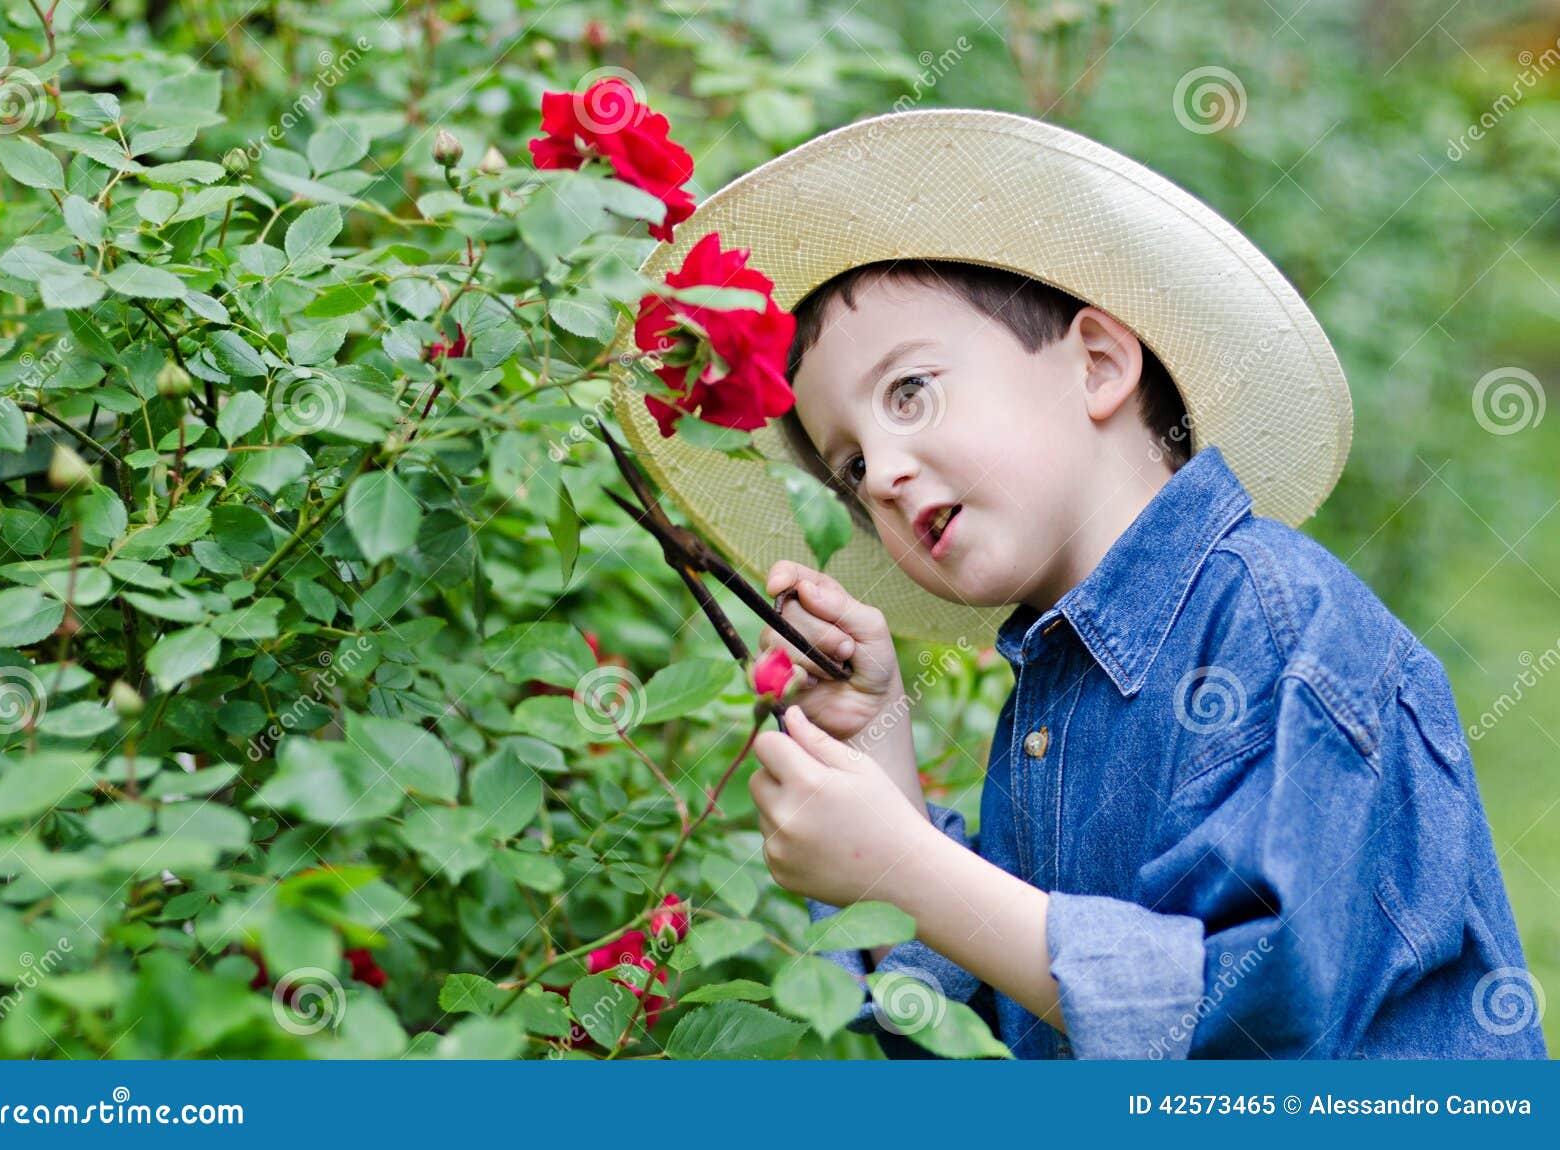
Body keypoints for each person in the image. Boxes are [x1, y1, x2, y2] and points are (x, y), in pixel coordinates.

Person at [609, 110, 1547, 1058]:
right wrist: (879, 750)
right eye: (849, 467)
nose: (883, 473)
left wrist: (907, 864)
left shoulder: (1276, 620)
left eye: (909, 392)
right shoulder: (1055, 695)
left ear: (1096, 364)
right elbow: (1000, 1042)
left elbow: (1252, 1024)